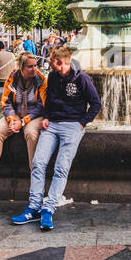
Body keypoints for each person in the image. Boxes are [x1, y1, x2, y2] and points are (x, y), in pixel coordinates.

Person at [11, 44, 100, 230]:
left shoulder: (82, 79)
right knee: (38, 163)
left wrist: (82, 123)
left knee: (61, 168)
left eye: (51, 60)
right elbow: (49, 100)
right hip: (51, 125)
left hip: (72, 126)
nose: (48, 62)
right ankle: (34, 207)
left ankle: (48, 209)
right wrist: (47, 117)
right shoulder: (52, 76)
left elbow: (96, 104)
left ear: (59, 62)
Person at [0, 51, 47, 193]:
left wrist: (23, 121)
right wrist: (11, 119)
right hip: (15, 113)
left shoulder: (41, 79)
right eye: (30, 67)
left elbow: (41, 106)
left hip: (33, 115)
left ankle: (36, 177)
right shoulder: (12, 77)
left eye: (35, 65)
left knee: (31, 134)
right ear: (21, 67)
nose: (35, 69)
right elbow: (6, 101)